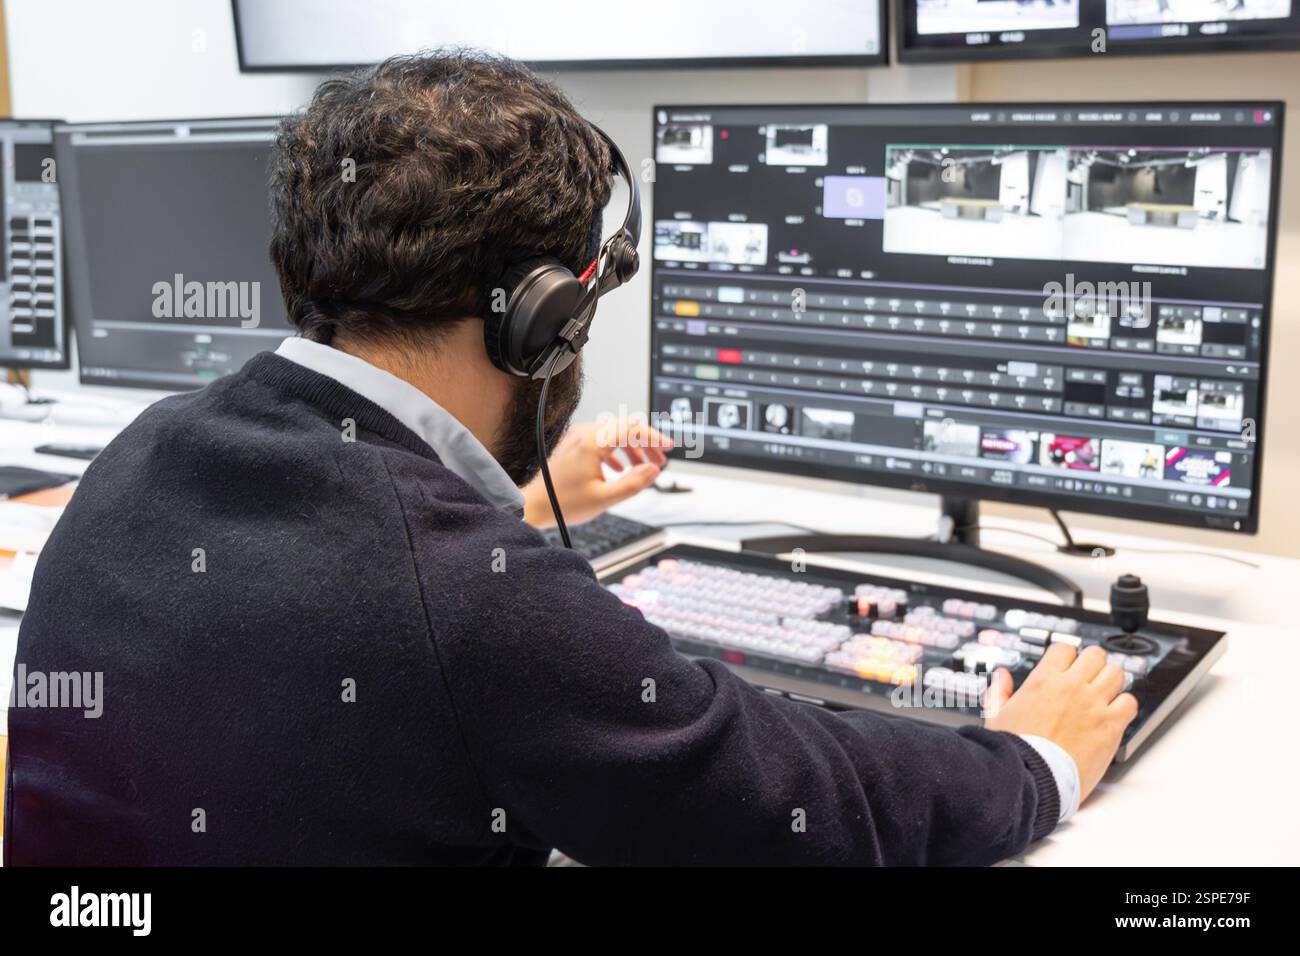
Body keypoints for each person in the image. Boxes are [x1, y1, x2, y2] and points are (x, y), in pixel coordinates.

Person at [6, 51, 1135, 866]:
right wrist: (1035, 757)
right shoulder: (472, 603)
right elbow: (792, 806)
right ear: (542, 321)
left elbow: (339, 581)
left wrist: (505, 506)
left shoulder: (143, 454)